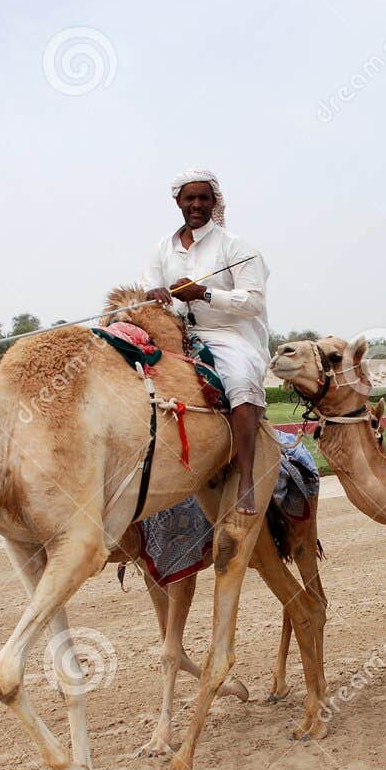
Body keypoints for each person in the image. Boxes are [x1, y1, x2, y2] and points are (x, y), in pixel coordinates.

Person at [144, 168, 270, 515]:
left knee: (242, 384)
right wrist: (154, 293)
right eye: (190, 198)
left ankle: (246, 480)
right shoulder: (161, 248)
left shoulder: (237, 247)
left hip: (229, 337)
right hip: (176, 333)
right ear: (178, 202)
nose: (196, 204)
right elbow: (149, 287)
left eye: (203, 198)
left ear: (213, 201)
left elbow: (254, 301)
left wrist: (204, 293)